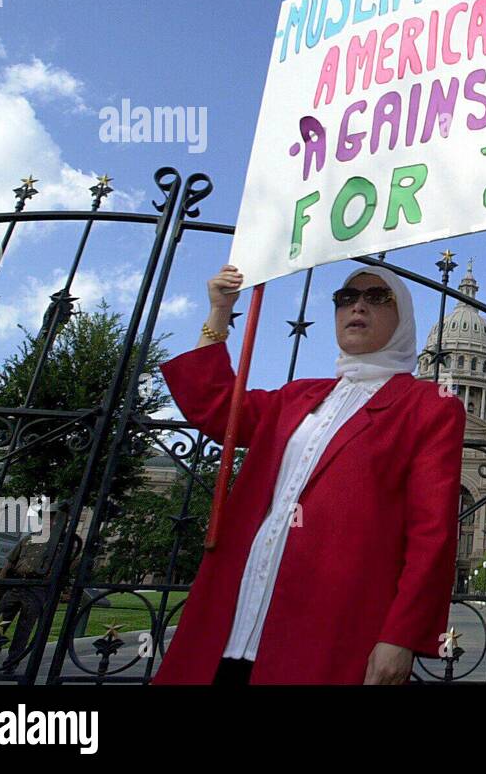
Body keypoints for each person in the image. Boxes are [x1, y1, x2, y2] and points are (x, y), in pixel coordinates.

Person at [152, 264, 465, 685]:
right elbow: (214, 408)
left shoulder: (428, 406)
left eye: (377, 297)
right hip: (232, 618)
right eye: (345, 298)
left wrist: (401, 636)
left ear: (403, 317)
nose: (357, 306)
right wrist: (219, 314)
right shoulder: (297, 396)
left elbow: (433, 532)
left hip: (325, 632)